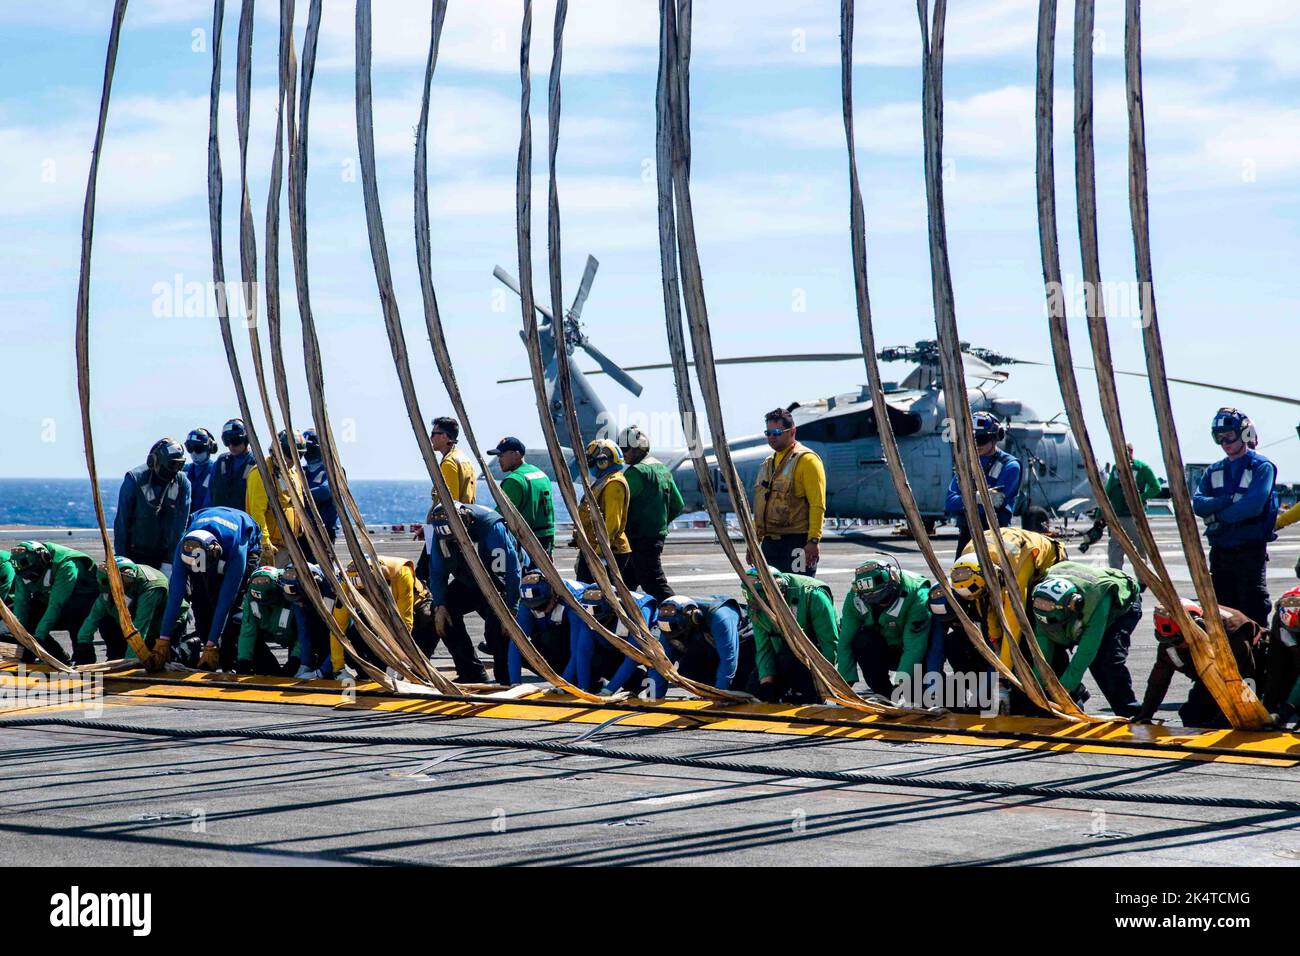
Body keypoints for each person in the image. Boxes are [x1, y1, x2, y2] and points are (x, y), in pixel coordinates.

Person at [1192, 408, 1279, 627]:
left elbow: (1253, 506)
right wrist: (1227, 501)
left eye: (1229, 435)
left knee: (1254, 609)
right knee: (1222, 611)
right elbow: (1198, 504)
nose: (1224, 442)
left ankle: (1258, 657)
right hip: (1221, 554)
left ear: (1244, 434)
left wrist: (1218, 515)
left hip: (1250, 552)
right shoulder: (1214, 470)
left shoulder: (1261, 467)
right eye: (1218, 437)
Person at [422, 501, 521, 685]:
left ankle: (506, 677)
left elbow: (511, 571)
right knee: (444, 615)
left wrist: (512, 607)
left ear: (465, 522)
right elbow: (436, 571)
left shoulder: (491, 528)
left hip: (498, 583)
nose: (452, 541)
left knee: (497, 627)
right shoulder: (440, 531)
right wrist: (440, 604)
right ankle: (471, 671)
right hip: (469, 581)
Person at [155, 506, 263, 672]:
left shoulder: (237, 549)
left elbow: (226, 601)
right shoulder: (183, 547)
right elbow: (175, 597)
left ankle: (228, 658)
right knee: (200, 600)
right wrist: (163, 639)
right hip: (204, 549)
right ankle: (202, 642)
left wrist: (211, 646)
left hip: (243, 544)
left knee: (233, 609)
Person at [1030, 561, 1142, 717]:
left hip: (1119, 608)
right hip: (1070, 605)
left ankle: (1130, 713)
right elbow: (1043, 642)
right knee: (1054, 657)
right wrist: (1036, 686)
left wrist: (1064, 688)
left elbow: (1086, 651)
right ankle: (1075, 699)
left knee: (1105, 661)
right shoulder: (1042, 600)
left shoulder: (1095, 601)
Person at [948, 527, 1067, 670]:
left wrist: (1003, 671)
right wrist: (995, 639)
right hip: (1003, 553)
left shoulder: (1015, 571)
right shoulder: (967, 558)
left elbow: (1014, 621)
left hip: (1047, 563)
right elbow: (984, 602)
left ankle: (1057, 675)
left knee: (1037, 624)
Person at [1135, 598, 1263, 729]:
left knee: (1228, 723)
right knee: (1191, 715)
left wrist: (1241, 712)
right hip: (1212, 676)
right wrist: (1146, 713)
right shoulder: (1170, 643)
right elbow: (1159, 679)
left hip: (1253, 673)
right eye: (1170, 641)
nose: (1177, 645)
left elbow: (1247, 676)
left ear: (1197, 627)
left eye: (1179, 640)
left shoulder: (1232, 631)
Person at [836, 559, 935, 703]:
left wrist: (900, 683)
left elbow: (914, 646)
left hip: (917, 653)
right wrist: (844, 684)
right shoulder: (855, 596)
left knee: (917, 697)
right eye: (870, 599)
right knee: (861, 640)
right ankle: (883, 691)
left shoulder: (917, 594)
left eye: (882, 598)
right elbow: (845, 640)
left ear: (893, 583)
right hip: (885, 649)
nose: (877, 603)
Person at [744, 566, 837, 704]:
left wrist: (825, 682)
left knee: (800, 690)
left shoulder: (813, 596)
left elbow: (830, 643)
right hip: (782, 649)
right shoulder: (755, 608)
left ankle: (808, 691)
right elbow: (763, 647)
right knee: (755, 692)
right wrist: (767, 683)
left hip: (811, 650)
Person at [751, 408, 825, 575]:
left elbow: (817, 504)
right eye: (768, 432)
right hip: (770, 546)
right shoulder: (768, 463)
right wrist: (754, 543)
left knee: (798, 593)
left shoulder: (807, 460)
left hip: (796, 543)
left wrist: (813, 541)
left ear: (792, 431)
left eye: (777, 432)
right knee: (768, 595)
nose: (771, 437)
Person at [618, 425, 683, 602]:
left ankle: (682, 615)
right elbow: (678, 505)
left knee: (653, 584)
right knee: (625, 583)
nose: (623, 454)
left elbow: (618, 505)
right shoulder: (662, 468)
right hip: (654, 537)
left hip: (638, 538)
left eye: (625, 449)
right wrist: (660, 523)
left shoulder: (636, 472)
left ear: (637, 448)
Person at [8, 541, 99, 664]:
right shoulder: (22, 569)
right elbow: (21, 603)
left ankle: (84, 659)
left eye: (33, 573)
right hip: (50, 598)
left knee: (75, 613)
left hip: (79, 601)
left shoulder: (66, 564)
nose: (31, 577)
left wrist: (38, 638)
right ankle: (56, 656)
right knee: (23, 614)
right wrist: (19, 635)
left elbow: (56, 604)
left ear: (44, 559)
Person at [945, 411, 1021, 557]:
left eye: (982, 439)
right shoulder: (966, 465)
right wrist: (979, 499)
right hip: (966, 537)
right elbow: (949, 502)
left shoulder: (1010, 466)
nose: (977, 445)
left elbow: (997, 502)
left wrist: (967, 500)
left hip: (994, 537)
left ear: (995, 437)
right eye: (973, 440)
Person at [650, 594, 755, 699]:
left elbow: (729, 660)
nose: (676, 637)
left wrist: (718, 696)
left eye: (680, 634)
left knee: (740, 686)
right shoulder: (669, 628)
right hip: (709, 643)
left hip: (744, 643)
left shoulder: (720, 617)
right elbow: (662, 663)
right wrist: (654, 698)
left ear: (695, 618)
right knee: (687, 668)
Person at [74, 556, 175, 665]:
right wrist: (83, 645)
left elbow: (141, 625)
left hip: (161, 624)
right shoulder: (108, 585)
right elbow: (93, 617)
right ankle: (116, 656)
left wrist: (130, 661)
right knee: (106, 622)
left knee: (161, 659)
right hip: (132, 620)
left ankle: (187, 648)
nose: (112, 592)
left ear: (126, 579)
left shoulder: (151, 586)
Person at [113, 437, 191, 572]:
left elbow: (180, 526)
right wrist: (122, 560)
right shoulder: (134, 480)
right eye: (171, 465)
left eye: (179, 466)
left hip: (165, 557)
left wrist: (170, 561)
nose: (174, 471)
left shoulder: (182, 483)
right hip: (135, 555)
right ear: (153, 462)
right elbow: (122, 523)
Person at [567, 582, 656, 695]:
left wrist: (608, 691)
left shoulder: (636, 611)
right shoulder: (590, 613)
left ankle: (651, 688)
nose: (596, 621)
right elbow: (583, 651)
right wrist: (582, 688)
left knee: (655, 663)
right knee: (596, 660)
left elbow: (634, 655)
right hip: (615, 645)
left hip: (643, 646)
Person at [573, 439, 633, 584]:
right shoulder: (603, 481)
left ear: (603, 461)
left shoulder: (614, 484)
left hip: (608, 551)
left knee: (599, 596)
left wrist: (600, 553)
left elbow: (613, 524)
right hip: (593, 548)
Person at [510, 570, 584, 684]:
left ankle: (582, 678)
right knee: (523, 649)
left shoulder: (572, 601)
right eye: (535, 608)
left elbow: (579, 648)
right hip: (553, 633)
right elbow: (517, 642)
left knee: (552, 639)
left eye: (543, 605)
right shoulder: (527, 603)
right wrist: (515, 683)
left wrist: (564, 685)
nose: (541, 610)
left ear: (554, 594)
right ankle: (562, 675)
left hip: (584, 641)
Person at [245, 429, 306, 568]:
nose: (294, 460)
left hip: (291, 544)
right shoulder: (261, 473)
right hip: (273, 547)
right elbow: (257, 512)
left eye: (300, 455)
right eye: (291, 455)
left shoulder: (293, 474)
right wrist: (265, 543)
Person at [233, 566, 306, 676]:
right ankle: (271, 670)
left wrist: (294, 660)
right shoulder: (251, 597)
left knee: (294, 671)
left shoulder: (291, 591)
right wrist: (244, 661)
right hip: (270, 628)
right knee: (236, 623)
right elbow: (247, 631)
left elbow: (305, 630)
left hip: (293, 631)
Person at [488, 436, 555, 555]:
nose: (499, 459)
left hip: (526, 543)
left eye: (502, 455)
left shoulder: (514, 481)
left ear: (516, 454)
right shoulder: (541, 475)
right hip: (546, 539)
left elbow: (500, 517)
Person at [1103, 443, 1161, 570]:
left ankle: (1142, 579)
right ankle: (1116, 576)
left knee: (1139, 547)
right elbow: (1109, 490)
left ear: (1131, 452)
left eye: (1127, 451)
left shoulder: (1142, 468)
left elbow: (1156, 487)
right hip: (1117, 515)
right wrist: (1101, 512)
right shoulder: (1115, 469)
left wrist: (1140, 498)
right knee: (1115, 548)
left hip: (1135, 516)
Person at [279, 562, 334, 678]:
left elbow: (342, 635)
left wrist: (322, 672)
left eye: (300, 599)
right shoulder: (298, 600)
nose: (299, 603)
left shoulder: (331, 594)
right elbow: (304, 630)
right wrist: (305, 665)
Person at [210, 418, 256, 510]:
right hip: (220, 519)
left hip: (244, 521)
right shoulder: (220, 462)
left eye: (235, 441)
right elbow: (210, 495)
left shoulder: (256, 463)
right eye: (227, 441)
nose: (231, 446)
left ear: (246, 439)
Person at [301, 428, 338, 543]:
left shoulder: (332, 470)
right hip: (303, 529)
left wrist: (298, 496)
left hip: (324, 529)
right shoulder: (301, 471)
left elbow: (325, 491)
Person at [183, 428, 219, 514]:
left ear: (209, 448)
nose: (194, 453)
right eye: (190, 448)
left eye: (198, 448)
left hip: (205, 521)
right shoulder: (183, 471)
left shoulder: (217, 471)